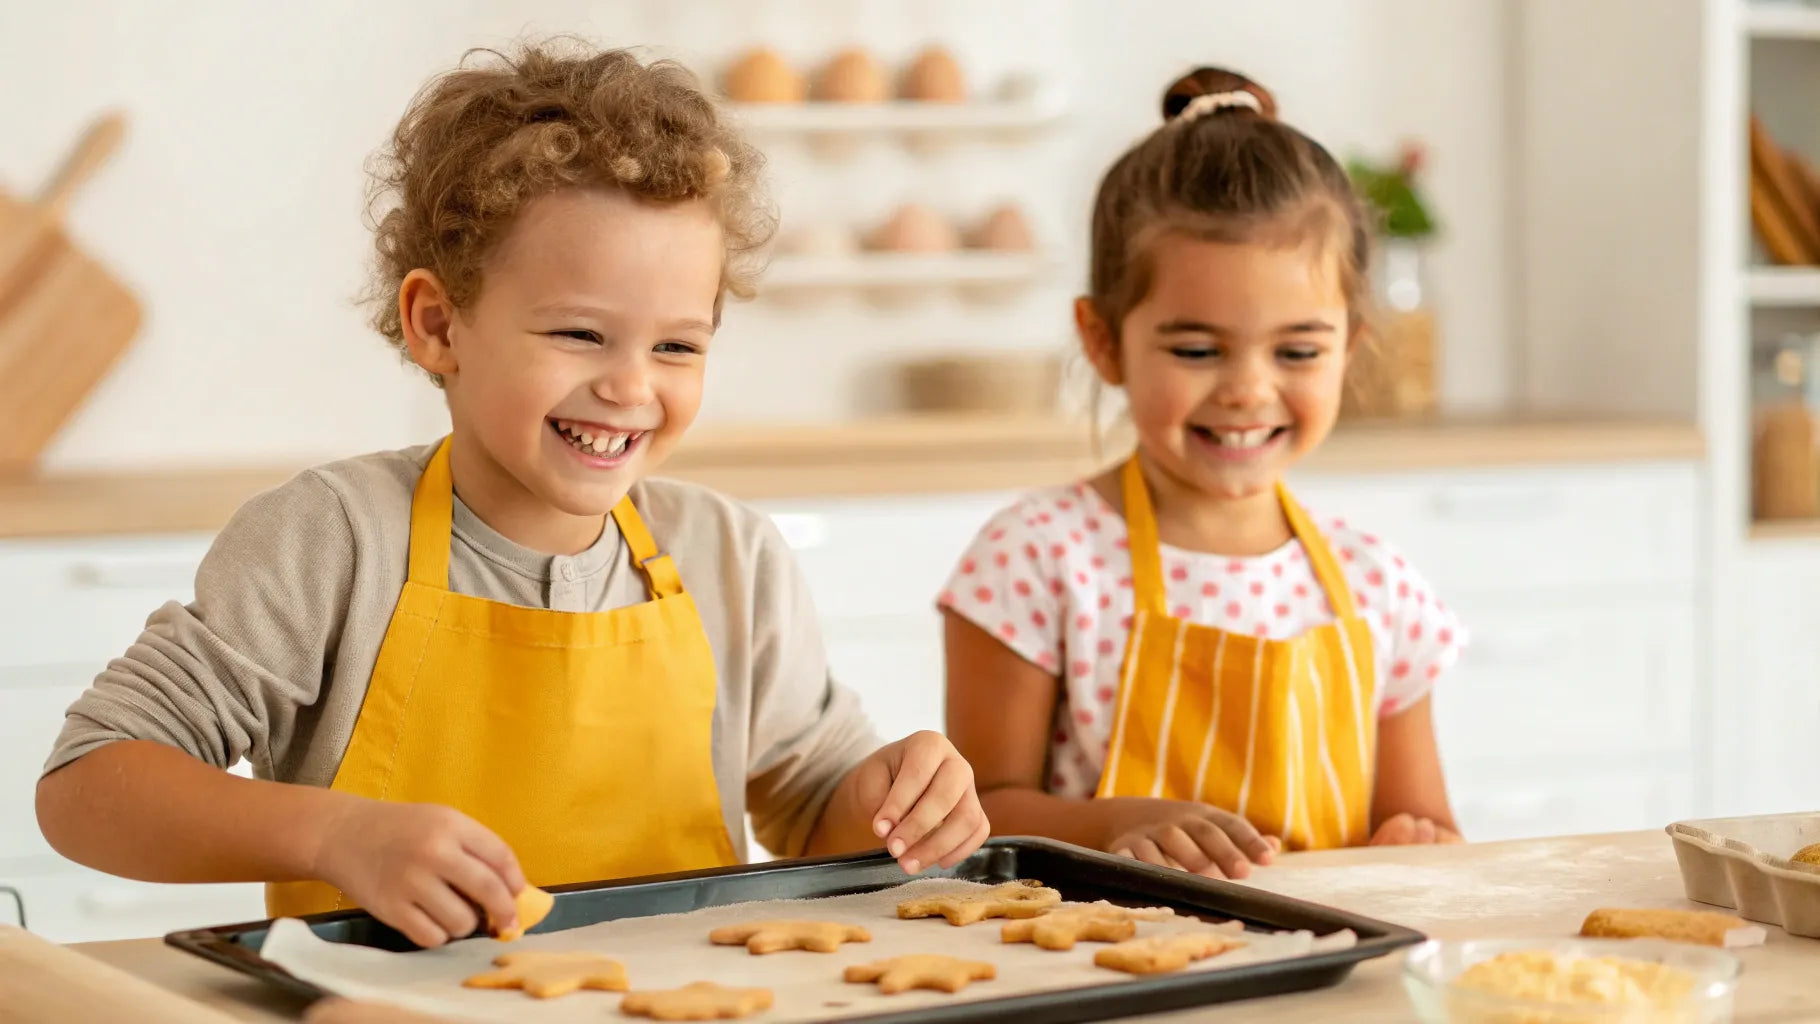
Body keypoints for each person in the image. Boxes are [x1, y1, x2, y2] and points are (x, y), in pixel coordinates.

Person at [35, 43, 986, 949]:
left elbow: (820, 812)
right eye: (580, 333)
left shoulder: (730, 559)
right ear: (439, 324)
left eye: (677, 346)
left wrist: (899, 799)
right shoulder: (331, 542)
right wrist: (336, 838)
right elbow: (87, 786)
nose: (630, 387)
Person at [941, 67, 1466, 880]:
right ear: (1104, 340)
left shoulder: (1377, 586)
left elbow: (1424, 827)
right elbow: (977, 822)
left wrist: (1420, 844)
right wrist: (1113, 824)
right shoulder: (1035, 557)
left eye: (1298, 351)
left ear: (1350, 348)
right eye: (1196, 350)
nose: (1249, 389)